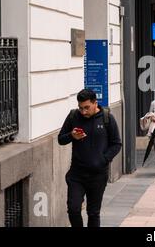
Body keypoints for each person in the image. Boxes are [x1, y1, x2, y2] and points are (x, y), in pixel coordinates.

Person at [58, 89, 122, 227]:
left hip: (98, 175)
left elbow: (117, 144)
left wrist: (103, 159)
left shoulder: (107, 118)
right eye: (81, 108)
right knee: (73, 209)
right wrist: (71, 135)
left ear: (95, 103)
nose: (83, 112)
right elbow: (61, 139)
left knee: (93, 213)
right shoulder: (73, 116)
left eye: (87, 108)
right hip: (77, 174)